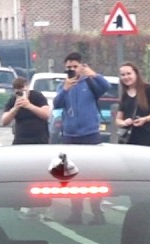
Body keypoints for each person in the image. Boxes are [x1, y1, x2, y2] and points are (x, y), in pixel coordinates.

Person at [53, 52, 111, 225]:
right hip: (70, 135)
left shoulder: (89, 83)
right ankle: (76, 212)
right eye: (68, 67)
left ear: (81, 66)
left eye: (75, 66)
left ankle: (97, 212)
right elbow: (57, 104)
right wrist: (65, 89)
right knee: (72, 175)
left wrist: (93, 74)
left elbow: (105, 86)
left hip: (90, 134)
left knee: (94, 175)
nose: (72, 70)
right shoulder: (63, 85)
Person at [113, 62, 150, 147]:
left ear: (136, 74)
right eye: (123, 75)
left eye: (129, 74)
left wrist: (145, 119)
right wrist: (124, 123)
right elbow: (118, 120)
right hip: (128, 140)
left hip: (147, 138)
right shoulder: (124, 95)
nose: (126, 77)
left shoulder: (149, 89)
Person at [1, 76, 50, 145]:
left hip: (40, 139)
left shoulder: (37, 96)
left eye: (23, 91)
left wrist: (29, 105)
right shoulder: (13, 100)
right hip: (21, 139)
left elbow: (46, 114)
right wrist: (15, 109)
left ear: (27, 87)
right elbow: (4, 121)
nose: (21, 94)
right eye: (18, 92)